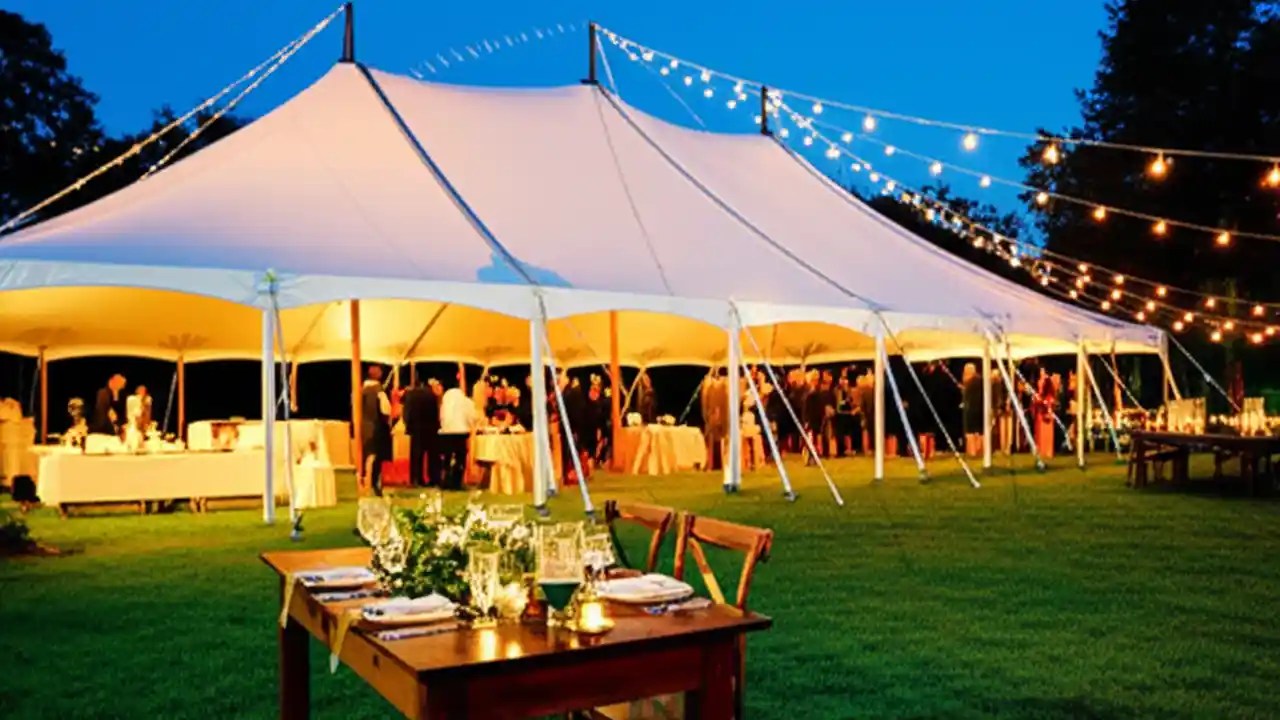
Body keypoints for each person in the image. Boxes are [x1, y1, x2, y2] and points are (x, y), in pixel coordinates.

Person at [439, 379, 478, 490]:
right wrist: (470, 426)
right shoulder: (466, 401)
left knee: (447, 457)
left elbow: (441, 416)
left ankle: (446, 480)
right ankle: (457, 482)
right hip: (461, 431)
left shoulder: (445, 401)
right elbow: (472, 416)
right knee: (460, 457)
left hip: (446, 432)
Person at [402, 378, 440, 487]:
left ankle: (416, 478)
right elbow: (435, 412)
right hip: (430, 428)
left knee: (416, 455)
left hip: (415, 428)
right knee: (432, 455)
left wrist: (407, 425)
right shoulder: (431, 395)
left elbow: (406, 412)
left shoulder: (410, 395)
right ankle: (433, 478)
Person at [361, 366, 392, 496]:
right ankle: (372, 483)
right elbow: (386, 410)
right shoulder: (379, 391)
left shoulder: (360, 390)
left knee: (365, 456)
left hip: (362, 427)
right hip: (376, 427)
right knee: (374, 457)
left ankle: (364, 482)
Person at [961, 363, 983, 457]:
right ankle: (980, 450)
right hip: (980, 409)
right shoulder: (980, 380)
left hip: (971, 409)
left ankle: (972, 451)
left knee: (970, 431)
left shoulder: (969, 382)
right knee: (979, 431)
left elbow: (968, 397)